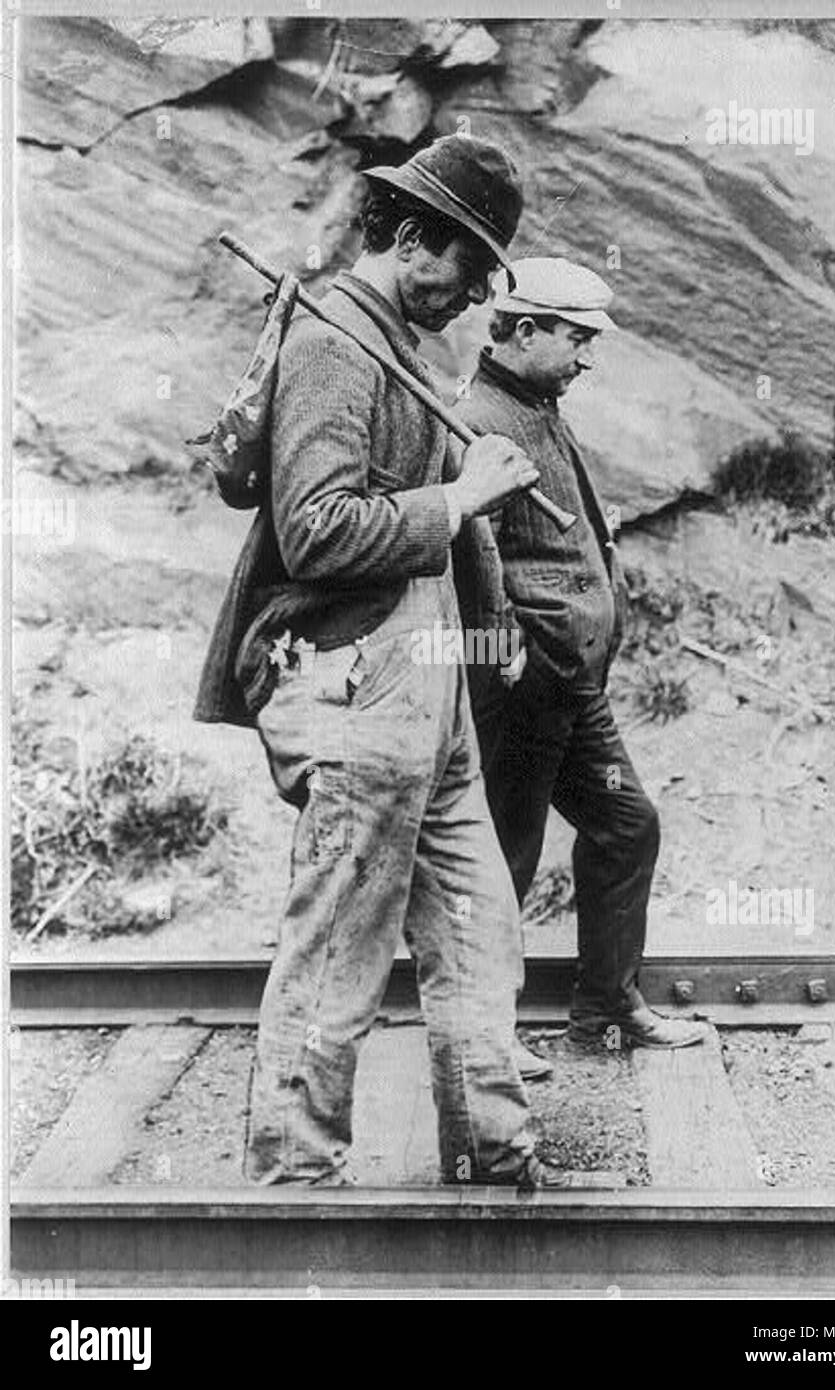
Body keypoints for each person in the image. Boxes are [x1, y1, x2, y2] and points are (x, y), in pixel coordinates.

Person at [194, 138, 570, 1188]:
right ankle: (295, 1180)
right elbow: (315, 529)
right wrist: (459, 500)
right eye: (470, 270)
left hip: (426, 672)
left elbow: (455, 517)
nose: (476, 299)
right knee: (339, 951)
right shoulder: (333, 341)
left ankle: (494, 1153)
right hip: (353, 674)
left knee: (481, 929)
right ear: (411, 239)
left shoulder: (401, 339)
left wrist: (488, 628)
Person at [455, 257, 708, 1053]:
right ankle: (481, 1049)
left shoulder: (535, 402)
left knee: (626, 828)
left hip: (569, 682)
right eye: (577, 337)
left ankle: (604, 1010)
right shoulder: (476, 419)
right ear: (523, 331)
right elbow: (470, 559)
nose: (587, 356)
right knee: (505, 866)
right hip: (525, 689)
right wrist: (512, 656)